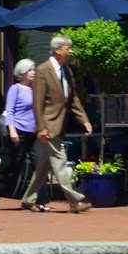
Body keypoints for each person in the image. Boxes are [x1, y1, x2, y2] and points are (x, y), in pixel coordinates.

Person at [20, 35, 93, 213]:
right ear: (57, 49)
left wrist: (84, 120)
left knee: (44, 165)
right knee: (60, 162)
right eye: (67, 48)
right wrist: (41, 127)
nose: (70, 51)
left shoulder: (66, 71)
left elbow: (72, 98)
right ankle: (75, 201)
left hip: (61, 124)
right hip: (49, 125)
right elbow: (38, 103)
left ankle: (28, 200)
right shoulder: (43, 70)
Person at [0, 58, 38, 211]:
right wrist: (12, 130)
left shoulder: (35, 90)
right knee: (14, 167)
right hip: (19, 131)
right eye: (31, 70)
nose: (34, 72)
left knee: (40, 164)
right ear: (22, 72)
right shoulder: (15, 89)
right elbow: (10, 111)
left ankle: (36, 200)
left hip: (34, 132)